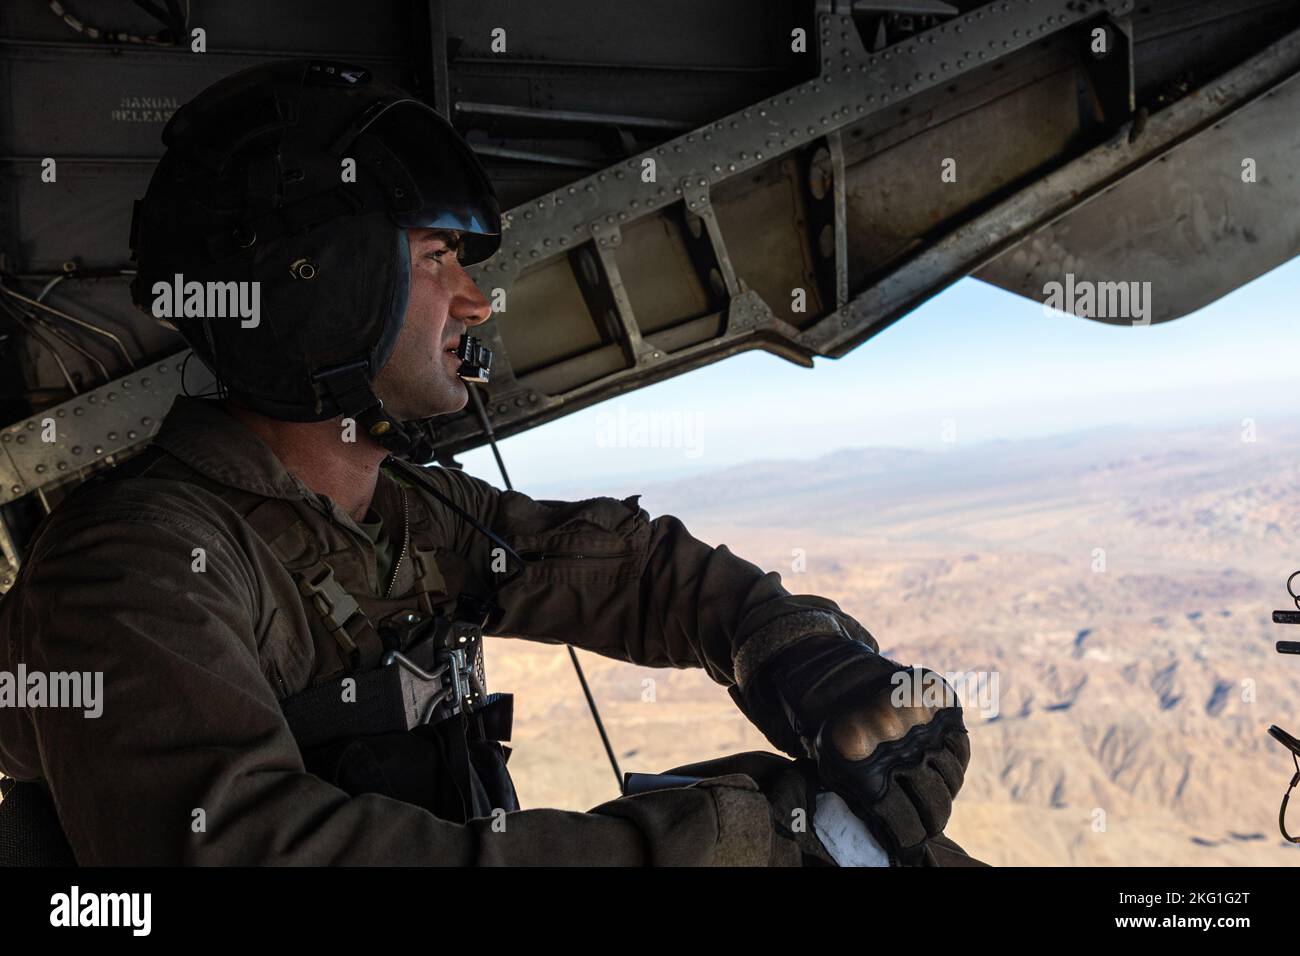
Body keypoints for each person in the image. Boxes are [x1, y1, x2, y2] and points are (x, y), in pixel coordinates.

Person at [0, 59, 980, 866]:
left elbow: (625, 568)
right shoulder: (132, 568)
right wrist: (713, 846)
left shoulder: (394, 509)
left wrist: (797, 651)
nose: (475, 303)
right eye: (435, 259)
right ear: (319, 293)